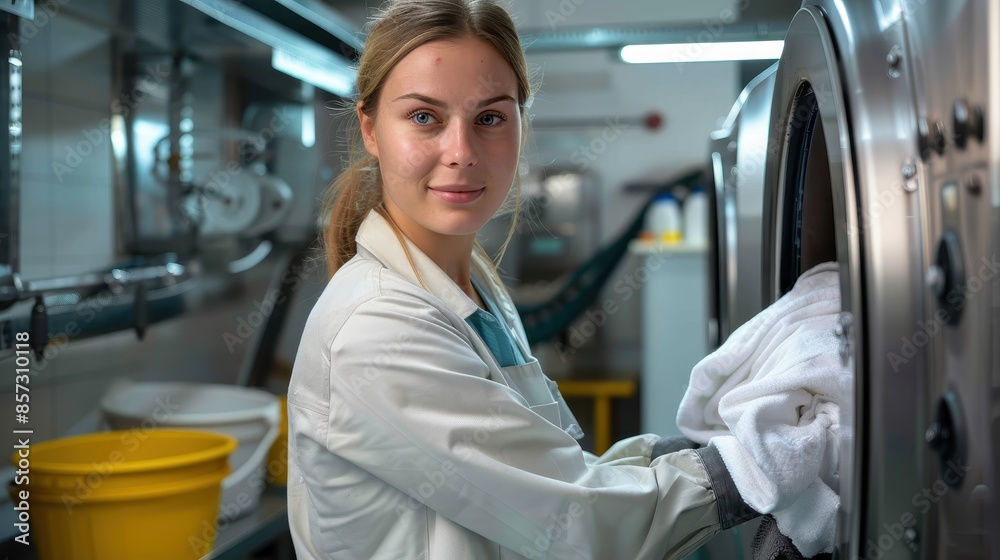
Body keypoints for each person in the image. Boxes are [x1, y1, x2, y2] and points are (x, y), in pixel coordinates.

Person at [287, 1, 759, 558]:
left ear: (518, 124)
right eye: (423, 117)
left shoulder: (471, 288)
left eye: (489, 118)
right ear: (370, 128)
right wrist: (750, 469)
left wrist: (687, 452)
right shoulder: (376, 328)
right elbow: (576, 519)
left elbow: (541, 476)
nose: (461, 153)